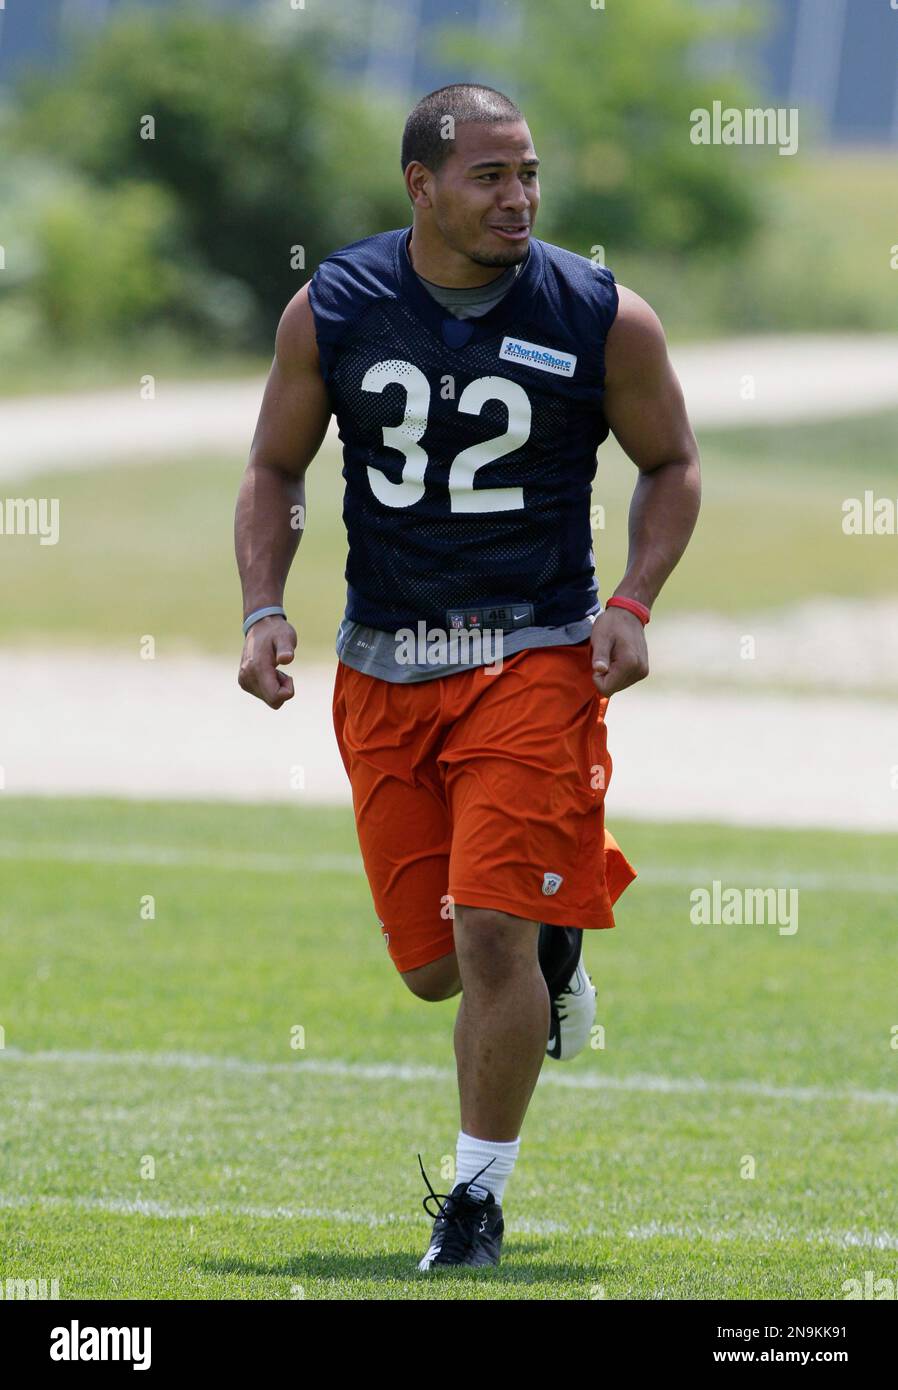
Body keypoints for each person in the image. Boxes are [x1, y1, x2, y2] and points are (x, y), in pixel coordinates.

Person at [235, 83, 701, 1270]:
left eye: (529, 172)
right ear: (422, 186)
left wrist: (634, 603)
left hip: (533, 653)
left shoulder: (600, 314)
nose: (519, 198)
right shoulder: (334, 304)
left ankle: (476, 1201)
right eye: (490, 176)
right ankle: (563, 932)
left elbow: (672, 462)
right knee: (438, 967)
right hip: (384, 662)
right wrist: (262, 607)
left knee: (488, 927)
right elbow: (275, 465)